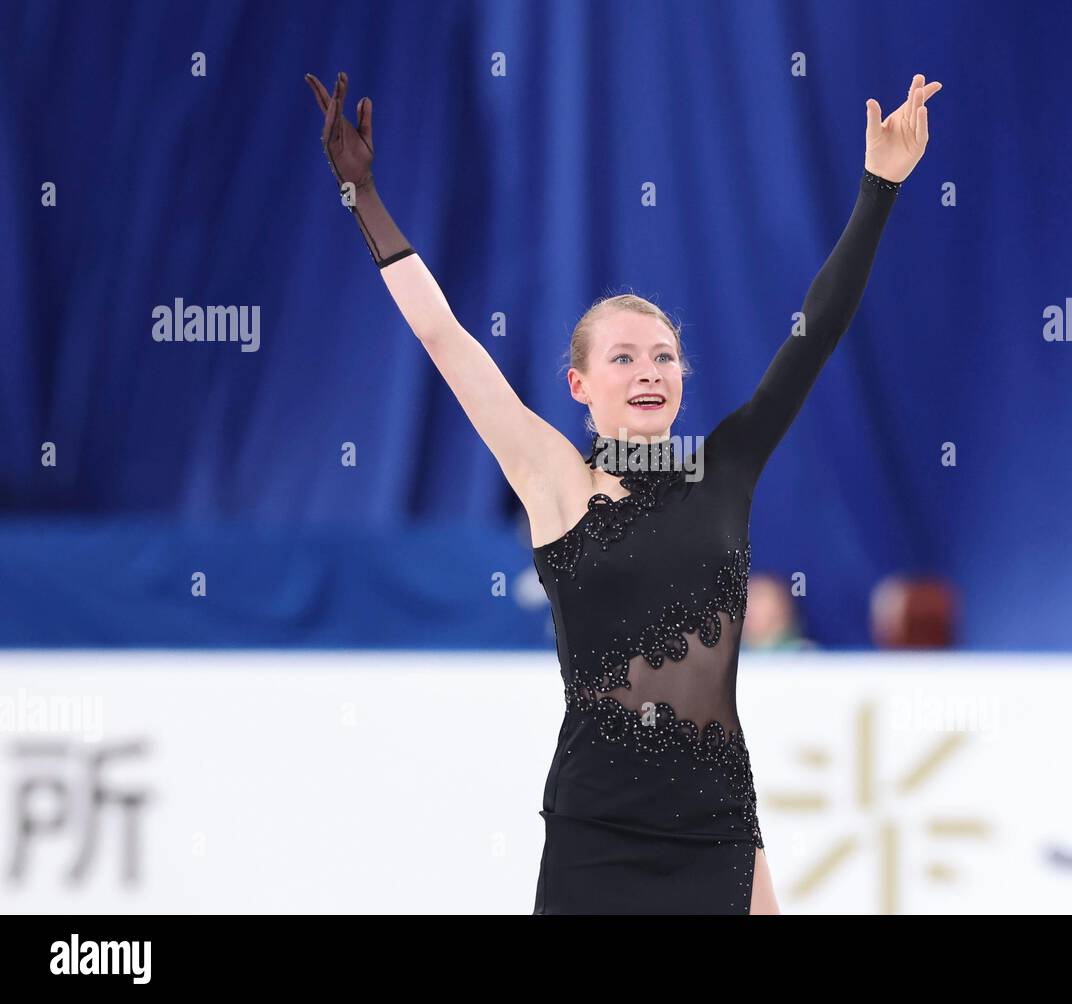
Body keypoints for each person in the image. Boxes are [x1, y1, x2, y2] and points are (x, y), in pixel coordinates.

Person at [305, 69, 940, 914]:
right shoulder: (554, 479)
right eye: (625, 358)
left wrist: (879, 188)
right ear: (578, 384)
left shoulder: (727, 466)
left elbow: (816, 330)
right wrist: (362, 197)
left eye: (664, 357)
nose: (650, 372)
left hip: (717, 823)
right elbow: (443, 335)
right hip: (596, 830)